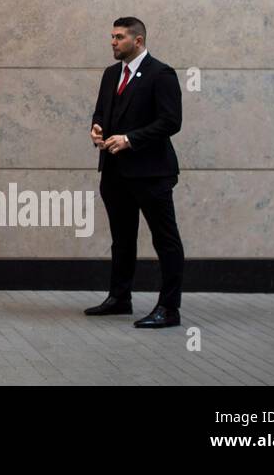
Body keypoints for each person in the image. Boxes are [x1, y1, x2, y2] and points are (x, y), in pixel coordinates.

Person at [84, 17, 185, 328]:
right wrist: (97, 129)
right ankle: (120, 298)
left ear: (138, 41)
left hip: (151, 173)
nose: (113, 42)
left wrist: (129, 139)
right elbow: (102, 112)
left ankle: (169, 309)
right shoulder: (111, 74)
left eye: (119, 37)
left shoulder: (161, 74)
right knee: (122, 238)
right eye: (112, 37)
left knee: (165, 240)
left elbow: (171, 122)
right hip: (115, 173)